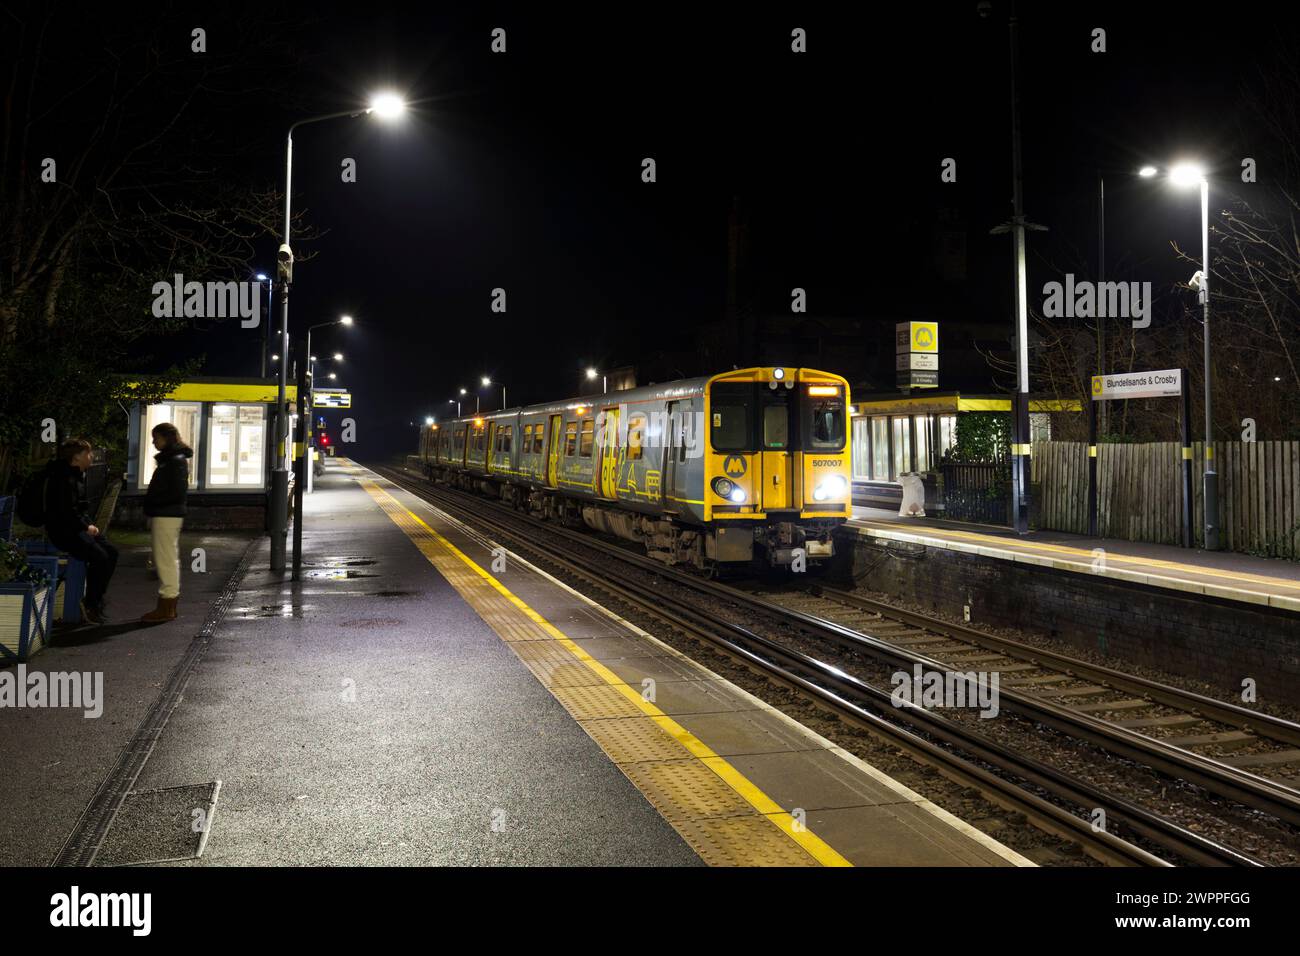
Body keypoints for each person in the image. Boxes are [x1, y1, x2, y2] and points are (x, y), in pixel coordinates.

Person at [43, 439, 118, 625]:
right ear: (76, 457)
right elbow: (66, 511)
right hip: (63, 531)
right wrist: (86, 527)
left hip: (75, 528)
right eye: (88, 453)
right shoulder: (63, 478)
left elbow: (77, 509)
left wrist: (88, 526)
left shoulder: (75, 475)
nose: (91, 457)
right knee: (100, 557)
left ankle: (95, 599)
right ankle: (91, 603)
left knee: (112, 553)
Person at [140, 423, 192, 623]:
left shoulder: (173, 461)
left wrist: (153, 503)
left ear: (167, 438)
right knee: (165, 558)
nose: (154, 442)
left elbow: (175, 492)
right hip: (166, 513)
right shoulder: (173, 460)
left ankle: (167, 605)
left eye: (157, 438)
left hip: (166, 514)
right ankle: (167, 604)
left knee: (166, 560)